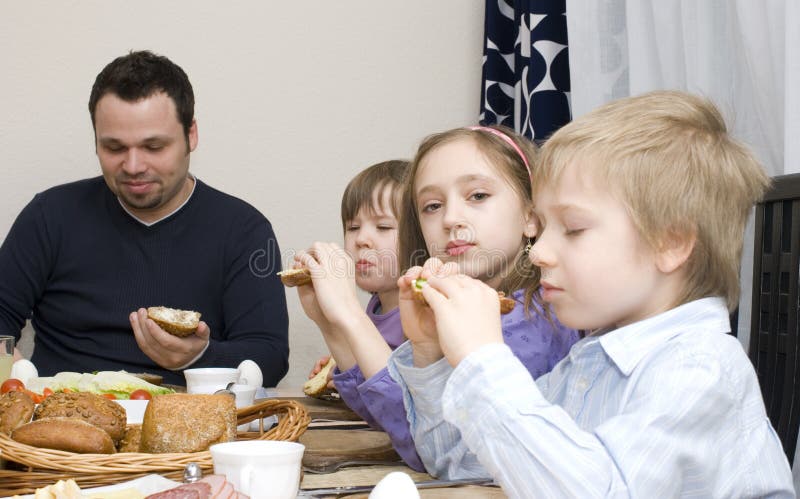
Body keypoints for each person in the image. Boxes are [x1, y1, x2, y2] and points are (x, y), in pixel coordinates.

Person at [389, 92, 795, 496]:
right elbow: (464, 464)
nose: (541, 251)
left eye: (573, 228)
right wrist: (430, 354)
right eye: (543, 227)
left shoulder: (698, 371)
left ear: (669, 244)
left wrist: (484, 361)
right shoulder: (589, 363)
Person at [0, 50, 289, 386]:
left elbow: (270, 357)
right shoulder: (49, 216)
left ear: (190, 135)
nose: (134, 166)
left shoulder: (244, 230)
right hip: (62, 421)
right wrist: (15, 374)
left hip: (189, 424)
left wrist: (198, 356)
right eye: (114, 148)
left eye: (153, 146)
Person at [389, 125, 578, 470]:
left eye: (477, 196)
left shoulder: (540, 317)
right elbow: (447, 460)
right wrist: (428, 351)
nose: (450, 219)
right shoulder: (451, 309)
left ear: (530, 216)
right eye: (432, 205)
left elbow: (477, 467)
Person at [294, 159, 424, 468]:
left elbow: (404, 411)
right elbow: (372, 406)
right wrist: (327, 323)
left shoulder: (423, 312)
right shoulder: (376, 307)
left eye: (382, 227)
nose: (361, 239)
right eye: (353, 227)